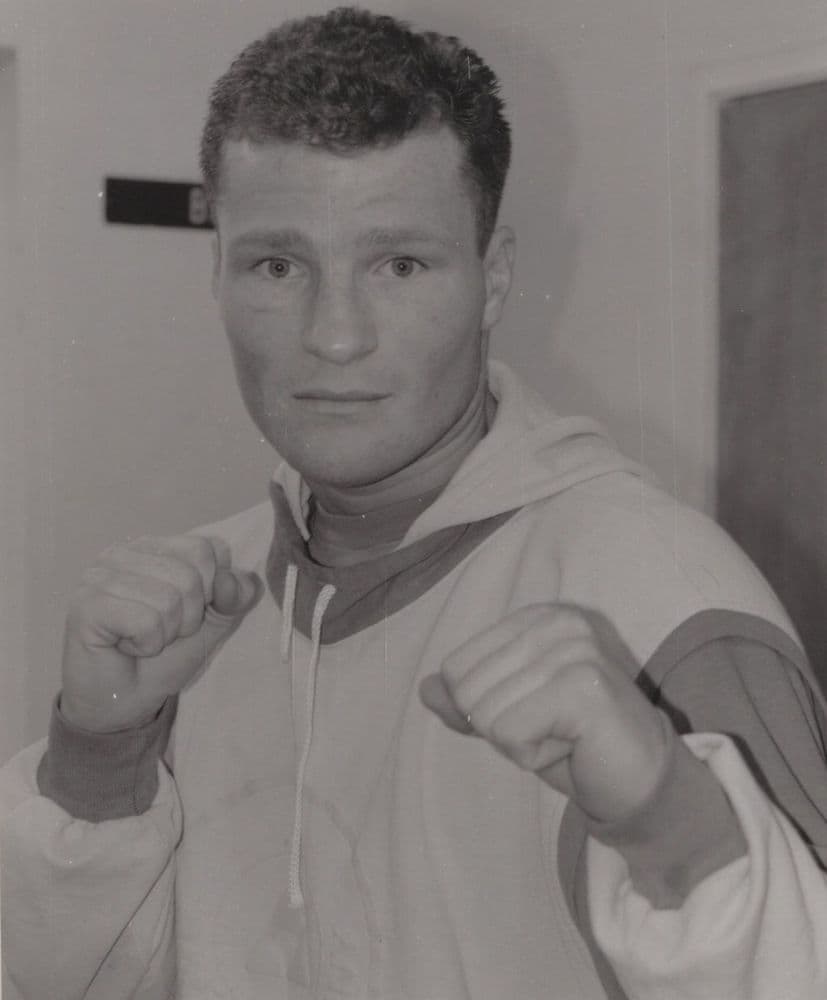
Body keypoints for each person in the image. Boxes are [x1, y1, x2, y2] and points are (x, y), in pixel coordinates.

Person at [3, 7, 827, 999]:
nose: (335, 336)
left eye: (399, 264)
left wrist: (673, 824)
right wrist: (97, 764)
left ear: (493, 280)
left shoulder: (660, 607)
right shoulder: (198, 613)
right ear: (216, 276)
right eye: (277, 264)